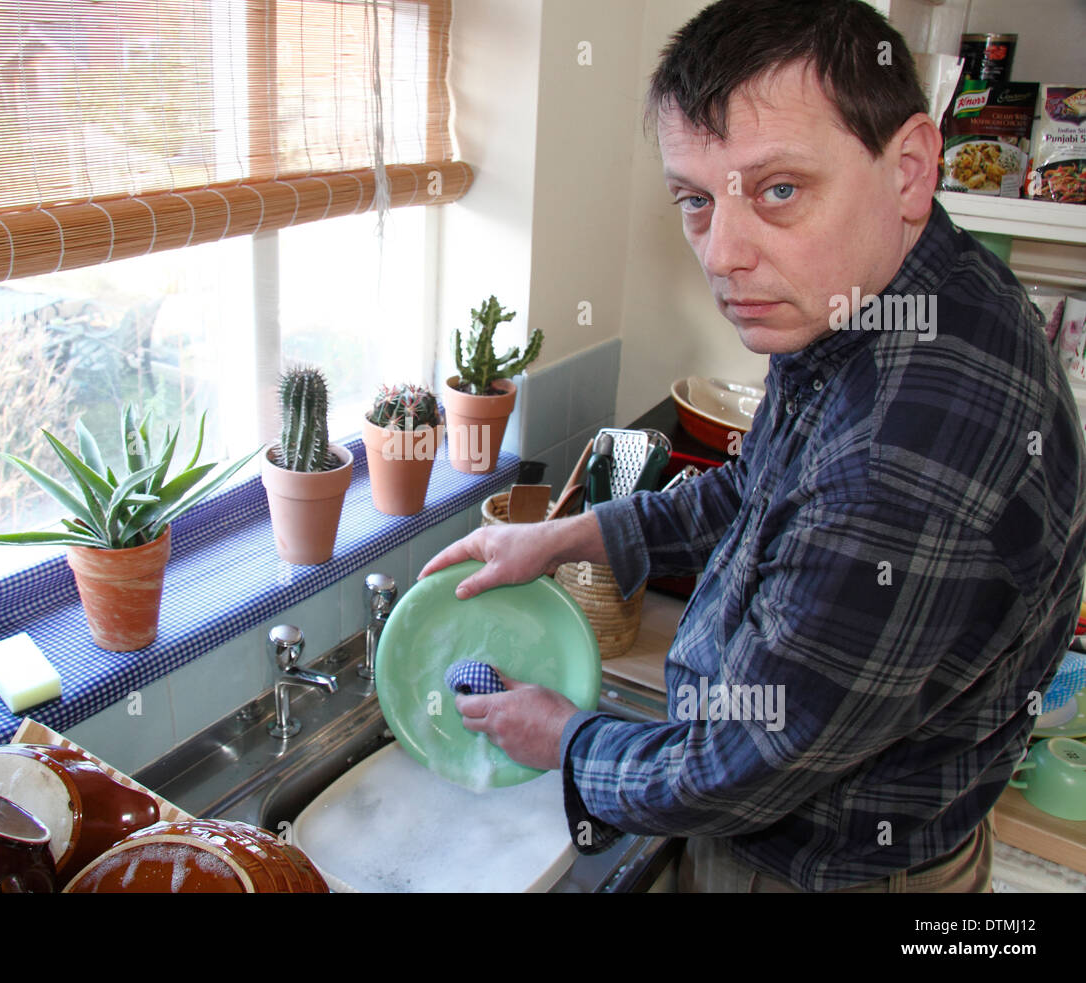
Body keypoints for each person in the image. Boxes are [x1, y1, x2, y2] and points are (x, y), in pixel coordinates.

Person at [418, 0, 1086, 893]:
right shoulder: (890, 298)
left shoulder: (904, 452)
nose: (723, 253)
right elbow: (759, 490)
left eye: (779, 190)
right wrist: (574, 534)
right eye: (696, 199)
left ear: (911, 169)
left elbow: (743, 766)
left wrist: (567, 736)